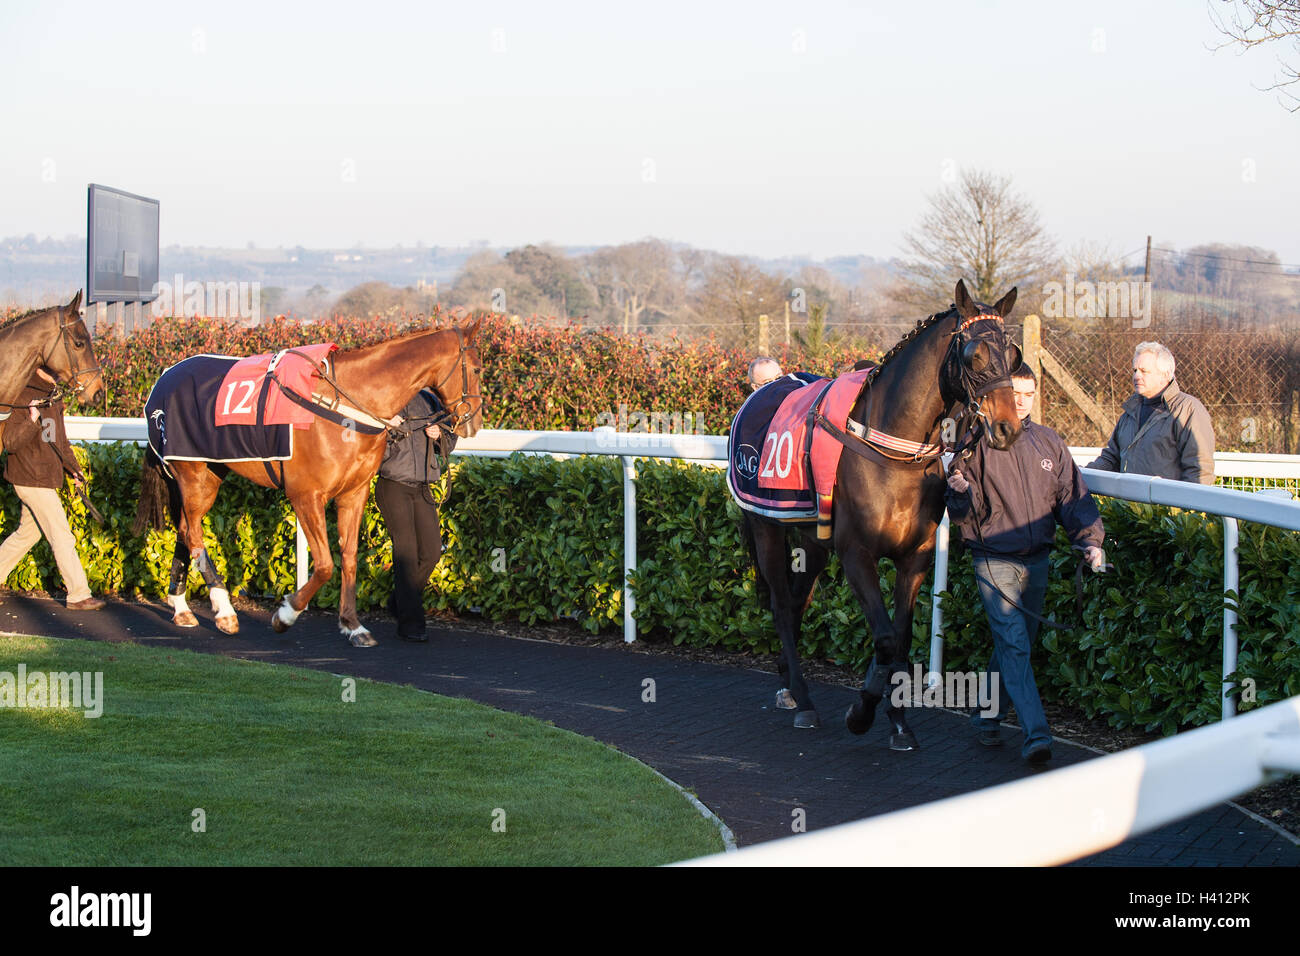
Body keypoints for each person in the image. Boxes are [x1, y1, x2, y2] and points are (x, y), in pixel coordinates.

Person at [945, 365, 1104, 765]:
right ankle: (1037, 735)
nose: (1020, 400)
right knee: (1015, 644)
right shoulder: (975, 442)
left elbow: (1073, 497)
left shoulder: (1050, 442)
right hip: (993, 559)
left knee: (1015, 645)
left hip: (1038, 561)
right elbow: (962, 513)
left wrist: (1090, 541)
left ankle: (986, 714)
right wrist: (960, 493)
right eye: (1014, 392)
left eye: (1028, 394)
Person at [0, 370, 105, 610]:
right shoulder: (20, 393)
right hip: (28, 477)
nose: (58, 372)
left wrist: (74, 470)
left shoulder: (53, 395)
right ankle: (79, 595)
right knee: (62, 534)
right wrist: (32, 417)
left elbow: (59, 441)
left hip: (44, 477)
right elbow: (11, 443)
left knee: (27, 535)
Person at [375, 388, 456, 642]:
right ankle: (411, 624)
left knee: (432, 551)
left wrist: (439, 435)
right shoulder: (385, 396)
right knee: (406, 553)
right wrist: (385, 429)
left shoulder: (430, 399)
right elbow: (365, 441)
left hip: (422, 485)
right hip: (393, 484)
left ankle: (399, 602)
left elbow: (451, 439)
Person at [1088, 342, 1215, 484]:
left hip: (1167, 504)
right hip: (1130, 504)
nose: (1136, 376)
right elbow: (1112, 458)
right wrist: (1080, 475)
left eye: (1144, 371)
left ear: (1164, 374)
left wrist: (1185, 504)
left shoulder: (1188, 410)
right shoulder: (1131, 411)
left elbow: (1199, 470)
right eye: (1135, 370)